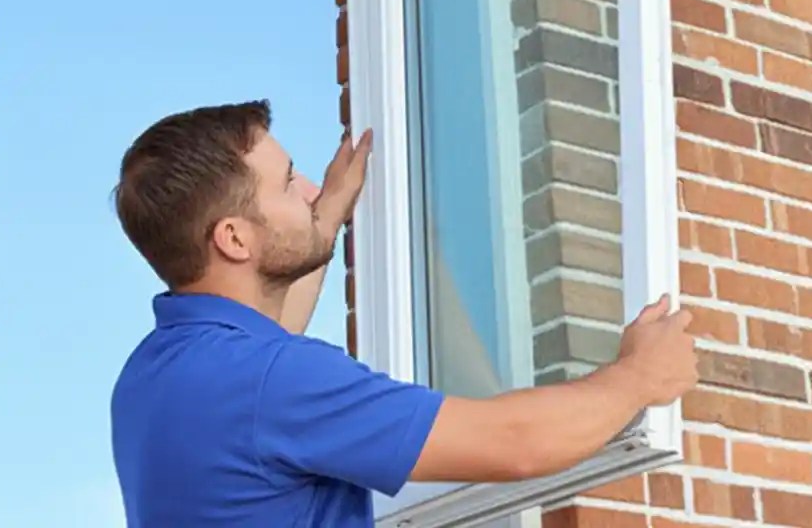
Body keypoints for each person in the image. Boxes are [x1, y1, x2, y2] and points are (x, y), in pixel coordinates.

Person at [109, 99, 699, 527]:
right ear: (234, 239)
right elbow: (516, 443)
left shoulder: (150, 379)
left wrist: (324, 222)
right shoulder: (274, 381)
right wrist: (639, 378)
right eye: (289, 184)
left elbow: (266, 346)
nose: (312, 188)